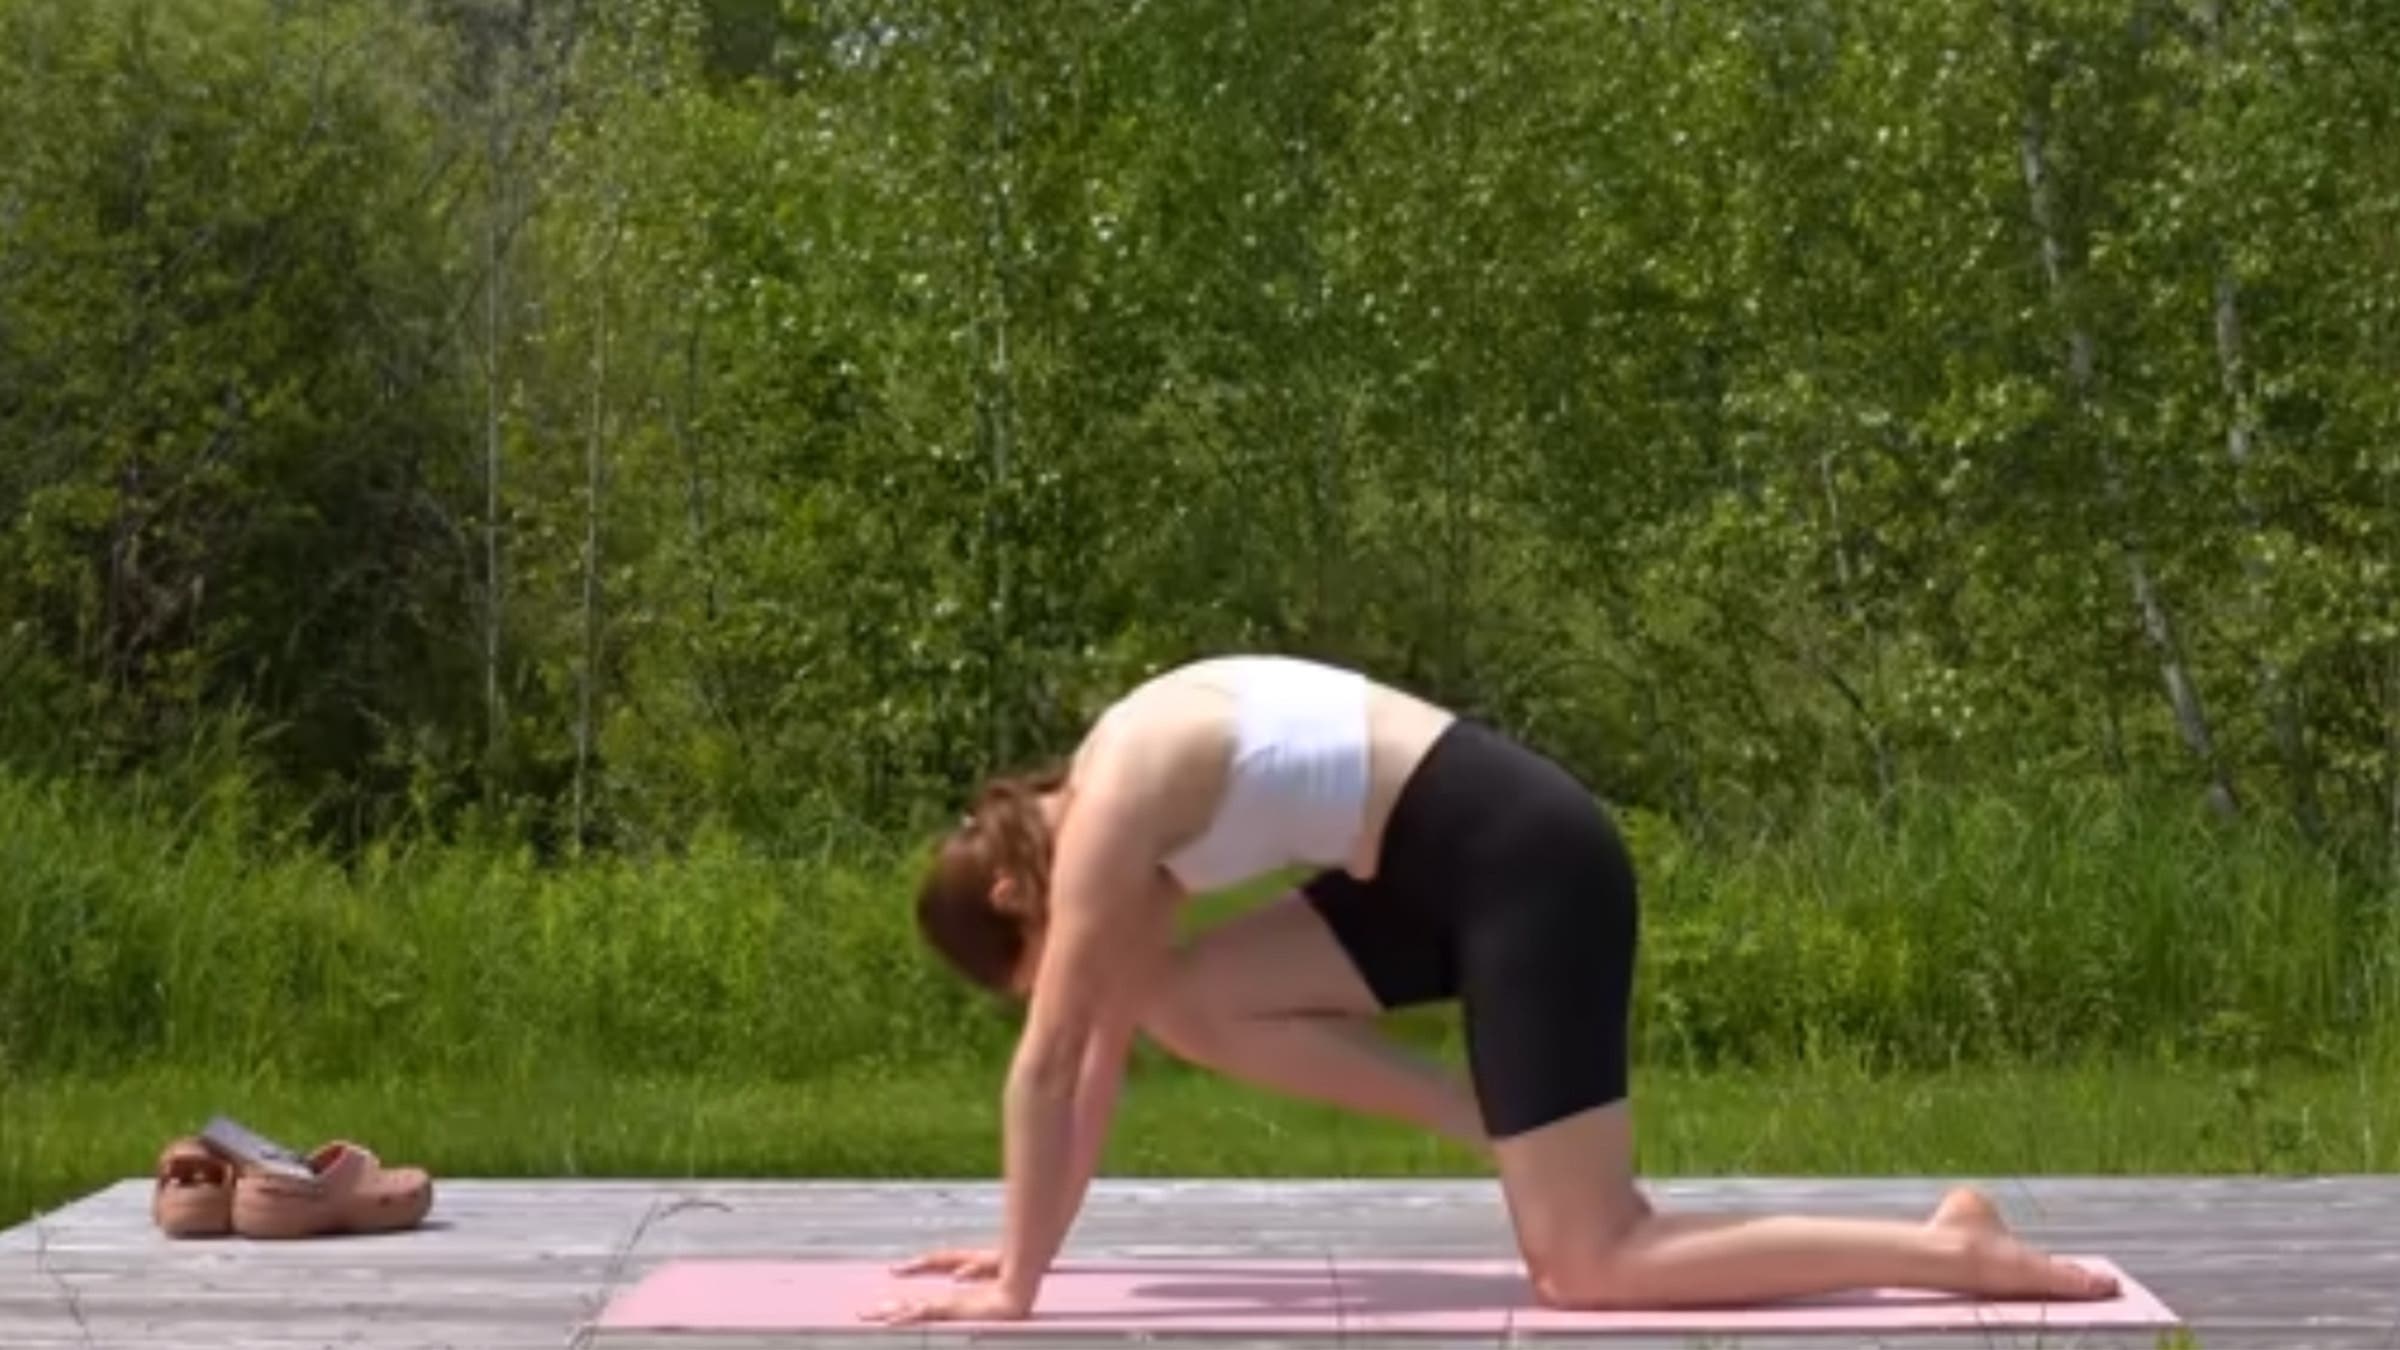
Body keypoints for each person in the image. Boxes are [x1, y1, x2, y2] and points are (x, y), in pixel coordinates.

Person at [865, 654, 2118, 1325]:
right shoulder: (1105, 787)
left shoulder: (1109, 813)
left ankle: (1953, 1250)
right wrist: (1025, 1247)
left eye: (1030, 971)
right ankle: (1494, 1119)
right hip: (1426, 870)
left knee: (1589, 1266)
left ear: (1019, 904)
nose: (1063, 984)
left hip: (1526, 865)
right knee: (1178, 1001)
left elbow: (1047, 1057)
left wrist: (1019, 1298)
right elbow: (1085, 1065)